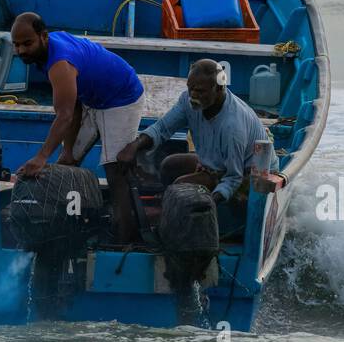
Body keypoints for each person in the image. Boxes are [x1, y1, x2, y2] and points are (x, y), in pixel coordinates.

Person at [10, 12, 145, 244]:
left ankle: (127, 241)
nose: (21, 51)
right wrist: (68, 151)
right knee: (67, 163)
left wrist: (42, 157)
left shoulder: (60, 64)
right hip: (92, 99)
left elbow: (64, 116)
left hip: (122, 99)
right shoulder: (45, 52)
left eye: (27, 43)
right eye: (16, 45)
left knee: (116, 172)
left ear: (44, 36)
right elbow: (75, 108)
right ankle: (65, 225)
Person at [116, 58, 278, 237]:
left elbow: (233, 178)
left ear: (219, 88)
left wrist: (207, 203)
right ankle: (173, 212)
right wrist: (134, 146)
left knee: (181, 188)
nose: (193, 94)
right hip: (216, 164)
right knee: (169, 166)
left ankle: (184, 226)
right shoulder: (188, 100)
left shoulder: (233, 126)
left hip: (247, 176)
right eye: (190, 87)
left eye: (200, 91)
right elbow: (163, 128)